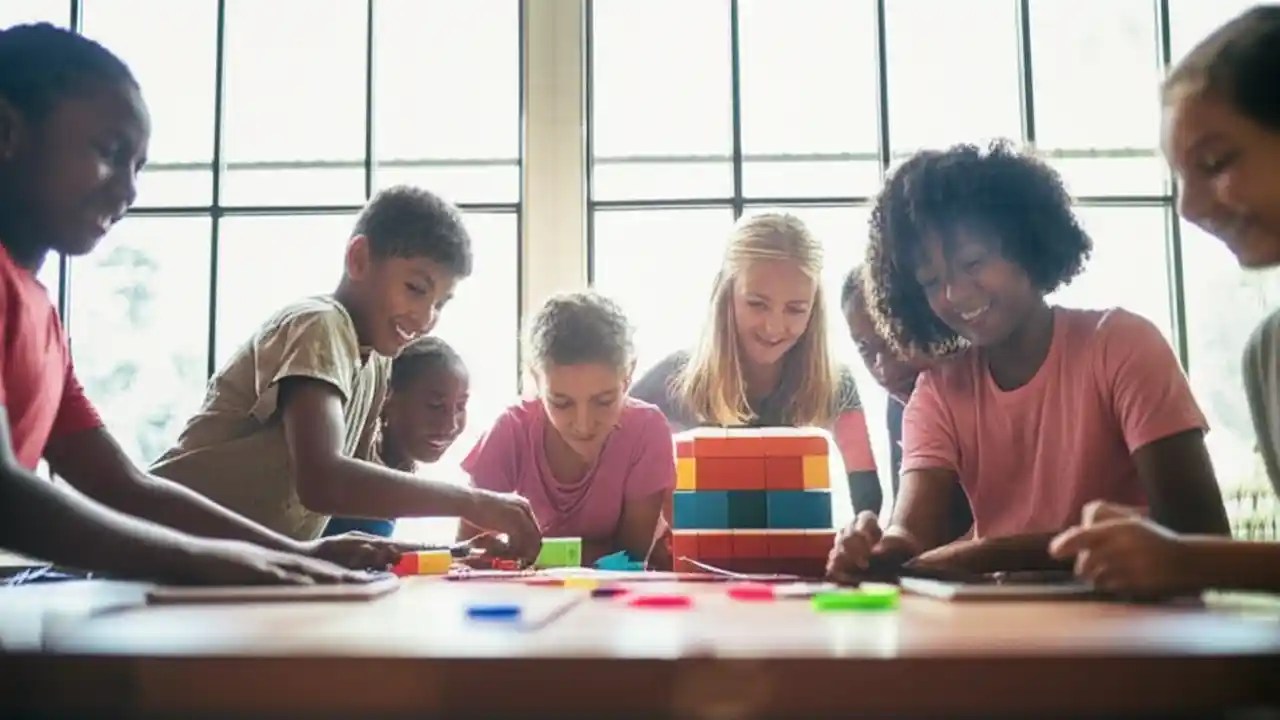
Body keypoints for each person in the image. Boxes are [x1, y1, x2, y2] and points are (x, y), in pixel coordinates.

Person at [0, 22, 378, 585]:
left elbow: (123, 487)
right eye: (110, 152)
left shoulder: (41, 317)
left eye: (139, 168)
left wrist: (294, 552)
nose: (128, 191)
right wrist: (198, 560)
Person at [827, 140, 1230, 583]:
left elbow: (1199, 533)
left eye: (973, 263)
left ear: (1025, 241)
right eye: (932, 281)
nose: (955, 294)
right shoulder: (939, 391)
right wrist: (869, 551)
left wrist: (990, 553)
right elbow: (910, 535)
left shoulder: (1122, 345)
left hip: (1140, 623)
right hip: (1009, 630)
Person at [149, 185, 541, 563]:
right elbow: (325, 482)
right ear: (358, 259)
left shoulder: (377, 361)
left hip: (233, 562)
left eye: (440, 303)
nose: (426, 319)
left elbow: (354, 499)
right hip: (157, 541)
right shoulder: (321, 324)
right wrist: (473, 502)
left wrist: (454, 553)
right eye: (415, 288)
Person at [1051, 5, 1280, 595]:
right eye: (1180, 177)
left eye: (1215, 163)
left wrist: (1191, 561)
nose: (1189, 208)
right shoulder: (1269, 353)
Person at [631, 211, 882, 516]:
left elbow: (867, 497)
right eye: (757, 304)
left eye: (795, 309)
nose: (774, 327)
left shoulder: (835, 382)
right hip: (689, 558)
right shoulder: (674, 380)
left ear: (814, 309)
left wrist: (860, 534)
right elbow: (613, 463)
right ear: (726, 295)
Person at [461, 291, 676, 566]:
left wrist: (532, 555)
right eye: (561, 403)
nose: (584, 424)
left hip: (612, 597)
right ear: (536, 379)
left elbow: (629, 561)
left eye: (604, 401)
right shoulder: (511, 431)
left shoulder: (647, 431)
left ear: (628, 374)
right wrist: (591, 552)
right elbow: (468, 554)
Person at [840, 265, 972, 543]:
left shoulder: (975, 389)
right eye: (865, 348)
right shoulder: (900, 402)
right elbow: (914, 530)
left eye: (894, 337)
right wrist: (870, 543)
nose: (884, 369)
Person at [323, 336, 469, 538]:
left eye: (461, 406)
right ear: (388, 398)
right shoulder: (354, 477)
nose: (451, 424)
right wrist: (472, 505)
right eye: (435, 405)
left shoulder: (395, 469)